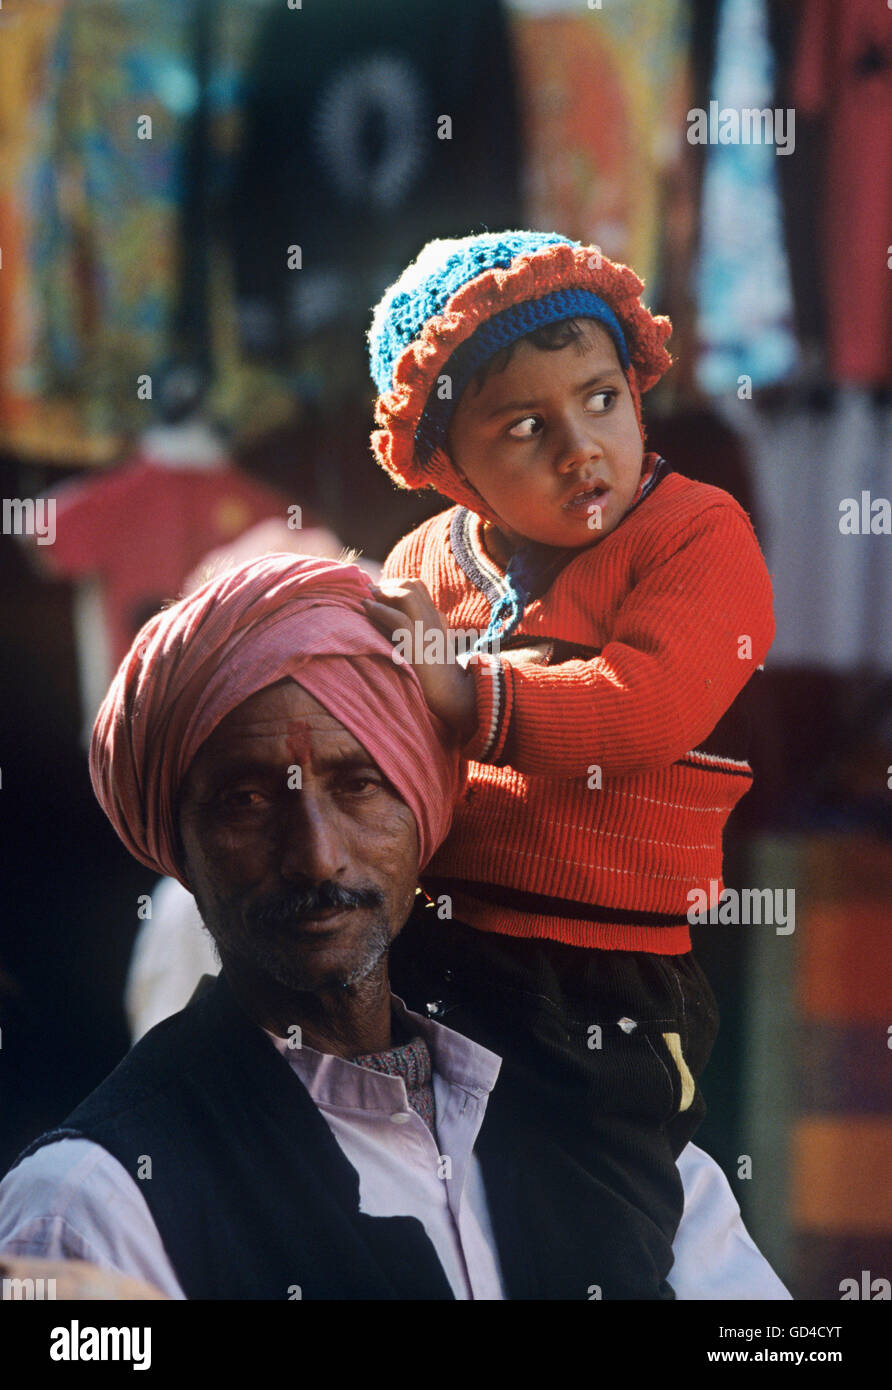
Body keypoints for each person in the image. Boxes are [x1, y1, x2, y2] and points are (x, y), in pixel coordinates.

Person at [0, 554, 787, 1299]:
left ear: (425, 806)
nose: (318, 857)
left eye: (359, 785)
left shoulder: (598, 1116)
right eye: (247, 800)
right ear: (176, 843)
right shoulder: (90, 1206)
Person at [363, 231, 776, 1298]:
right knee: (408, 1202)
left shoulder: (696, 537)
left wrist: (466, 693)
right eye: (525, 428)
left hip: (599, 980)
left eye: (601, 400)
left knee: (583, 1236)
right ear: (450, 467)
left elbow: (642, 706)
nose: (581, 449)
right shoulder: (421, 567)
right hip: (431, 946)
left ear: (638, 388)